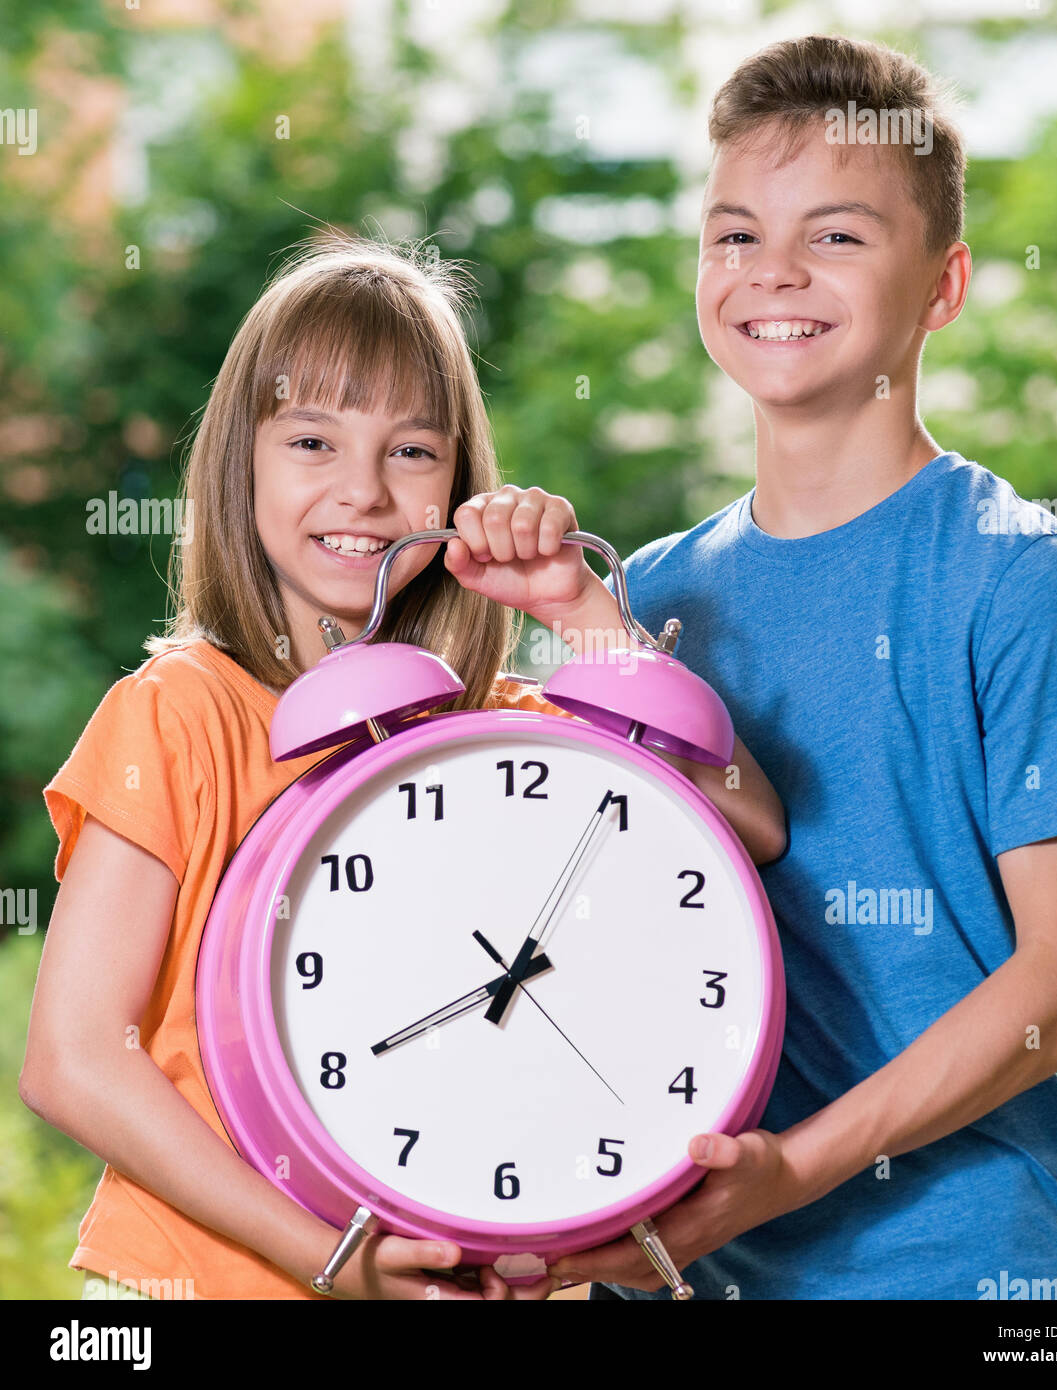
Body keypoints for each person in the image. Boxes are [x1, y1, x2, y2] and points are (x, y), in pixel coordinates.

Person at [18, 233, 786, 1302]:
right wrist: (332, 1262)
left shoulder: (502, 738)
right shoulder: (182, 712)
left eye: (413, 452)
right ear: (240, 460)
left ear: (462, 483)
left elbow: (747, 820)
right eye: (312, 442)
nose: (364, 492)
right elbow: (74, 1058)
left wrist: (578, 609)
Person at [546, 34, 1057, 1301]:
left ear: (943, 286)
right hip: (676, 1269)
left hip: (962, 1266)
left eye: (835, 236)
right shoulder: (649, 595)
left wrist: (795, 1167)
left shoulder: (1007, 573)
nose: (772, 272)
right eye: (733, 235)